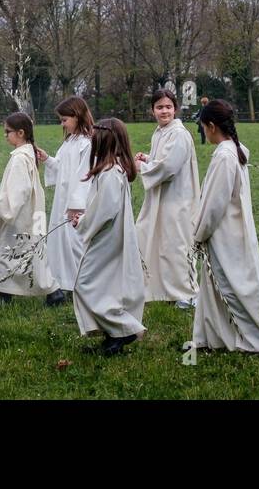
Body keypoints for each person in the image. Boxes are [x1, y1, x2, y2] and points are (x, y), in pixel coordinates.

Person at [191, 100, 259, 354]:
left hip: (224, 233)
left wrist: (199, 234)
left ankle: (258, 339)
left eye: (203, 126)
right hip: (234, 228)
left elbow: (214, 204)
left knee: (231, 286)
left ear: (211, 126)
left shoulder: (225, 156)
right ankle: (213, 336)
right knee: (216, 284)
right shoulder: (234, 150)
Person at [73, 118, 146, 356]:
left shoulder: (111, 173)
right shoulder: (111, 169)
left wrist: (82, 222)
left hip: (107, 238)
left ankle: (125, 329)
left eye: (95, 136)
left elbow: (105, 211)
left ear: (104, 139)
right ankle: (111, 335)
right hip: (110, 236)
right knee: (105, 286)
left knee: (86, 283)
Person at [0, 112, 60, 307]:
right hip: (32, 212)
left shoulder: (19, 159)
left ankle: (4, 298)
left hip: (20, 215)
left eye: (8, 132)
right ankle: (53, 292)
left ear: (21, 133)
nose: (5, 135)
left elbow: (18, 190)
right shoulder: (27, 154)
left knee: (8, 252)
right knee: (35, 251)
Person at [134, 87, 201, 309]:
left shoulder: (179, 133)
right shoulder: (161, 132)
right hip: (163, 198)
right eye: (160, 107)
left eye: (168, 107)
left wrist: (143, 166)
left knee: (178, 243)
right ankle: (163, 287)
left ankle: (188, 292)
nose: (165, 111)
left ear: (175, 109)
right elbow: (162, 159)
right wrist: (149, 157)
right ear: (152, 110)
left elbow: (170, 166)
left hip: (178, 198)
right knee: (161, 242)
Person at [36, 95, 95, 306]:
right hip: (64, 201)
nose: (62, 124)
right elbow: (62, 166)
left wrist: (76, 205)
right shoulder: (70, 141)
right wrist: (47, 159)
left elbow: (85, 175)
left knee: (75, 243)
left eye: (64, 120)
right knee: (60, 244)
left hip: (76, 205)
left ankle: (82, 286)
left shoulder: (87, 144)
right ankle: (63, 285)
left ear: (77, 116)